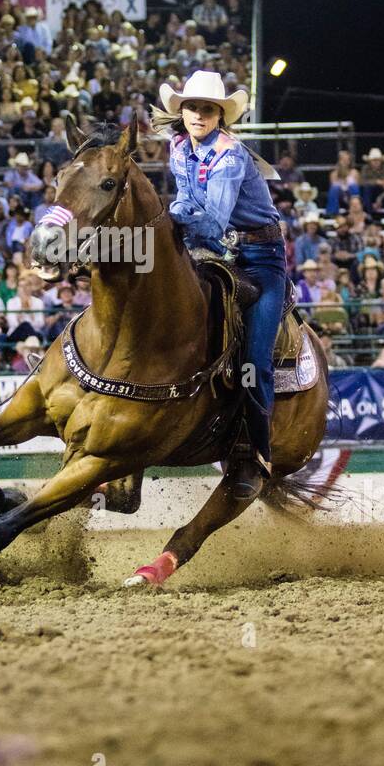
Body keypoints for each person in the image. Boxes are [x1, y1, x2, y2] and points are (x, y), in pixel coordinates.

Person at [156, 69, 284, 499]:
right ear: (183, 112)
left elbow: (212, 219)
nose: (198, 114)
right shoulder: (178, 149)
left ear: (218, 116)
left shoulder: (230, 156)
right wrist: (175, 217)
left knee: (255, 359)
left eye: (207, 109)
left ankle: (257, 451)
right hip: (214, 249)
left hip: (261, 257)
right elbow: (190, 207)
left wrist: (166, 219)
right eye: (192, 107)